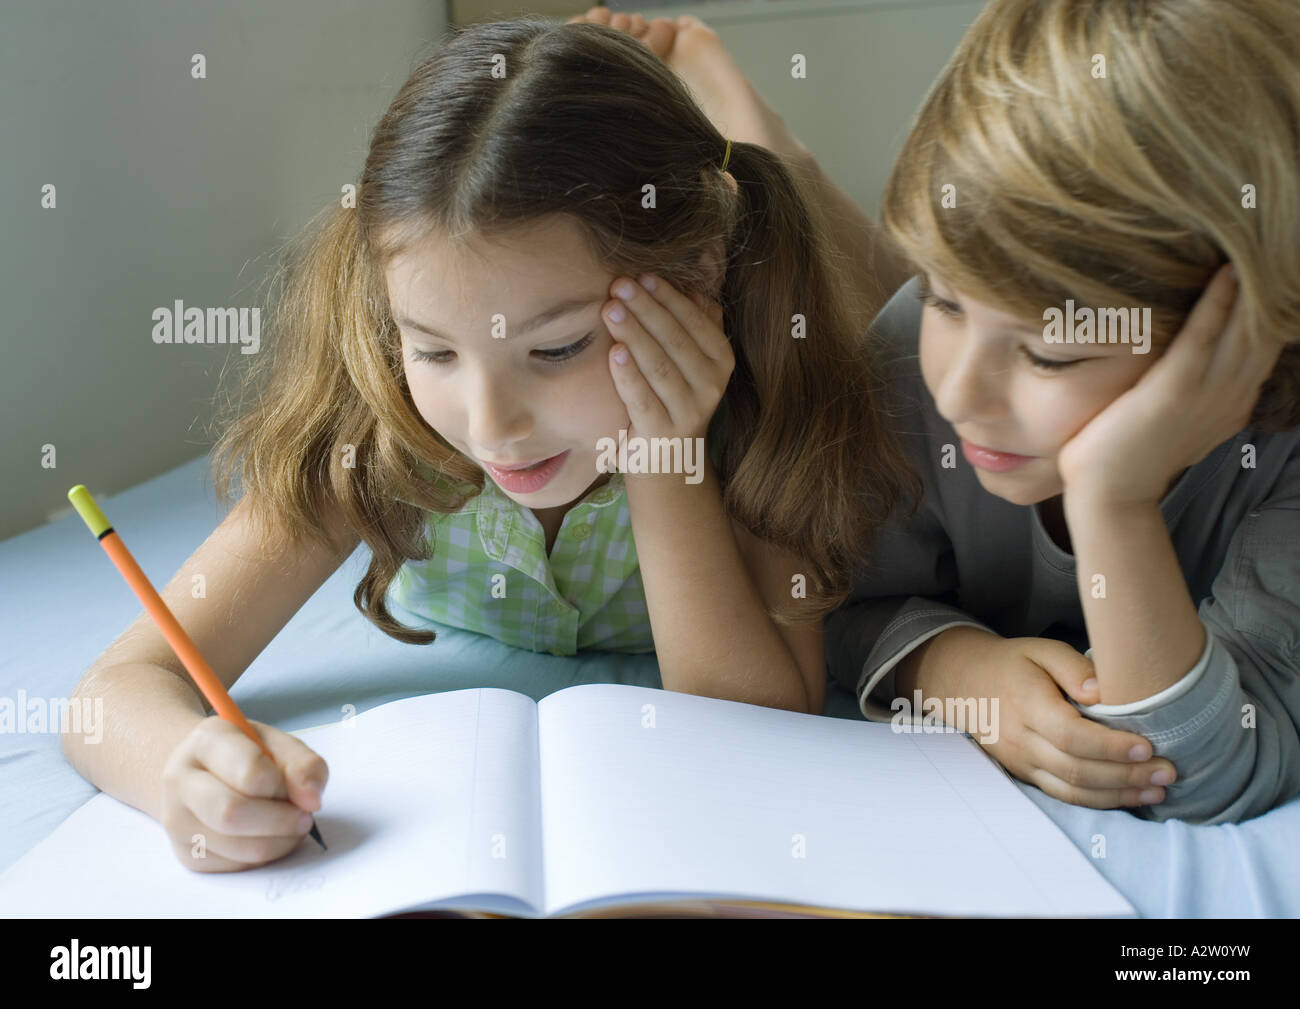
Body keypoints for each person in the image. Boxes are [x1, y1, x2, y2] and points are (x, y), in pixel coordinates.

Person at [60, 17, 916, 871]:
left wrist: (664, 450)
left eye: (556, 348)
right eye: (435, 349)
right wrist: (181, 770)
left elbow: (759, 721)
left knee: (882, 295)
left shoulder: (764, 392)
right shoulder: (377, 419)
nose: (492, 423)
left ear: (696, 283)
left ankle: (747, 116)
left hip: (769, 271)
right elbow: (113, 692)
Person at [582, 2, 1300, 823]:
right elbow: (839, 601)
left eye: (1049, 354)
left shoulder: (1278, 468)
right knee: (859, 295)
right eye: (946, 300)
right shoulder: (909, 359)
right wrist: (952, 671)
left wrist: (1115, 504)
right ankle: (767, 149)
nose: (959, 394)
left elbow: (1187, 772)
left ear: (1251, 334)